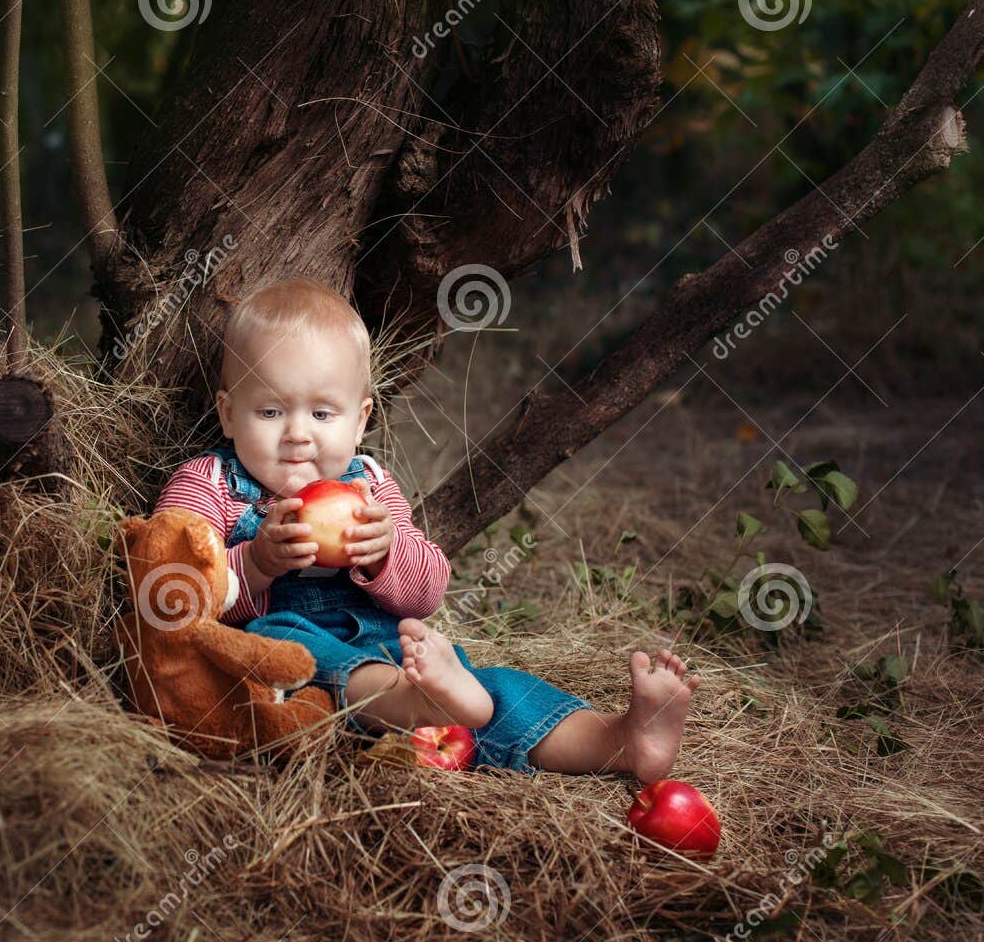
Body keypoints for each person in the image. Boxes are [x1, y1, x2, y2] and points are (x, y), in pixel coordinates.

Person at [153, 278, 698, 777]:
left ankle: (618, 740)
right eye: (270, 413)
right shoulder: (210, 485)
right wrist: (254, 564)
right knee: (282, 645)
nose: (298, 435)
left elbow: (429, 589)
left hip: (399, 653)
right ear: (228, 414)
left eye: (322, 414)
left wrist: (383, 553)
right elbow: (175, 593)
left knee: (494, 693)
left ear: (361, 419)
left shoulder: (367, 486)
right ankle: (414, 702)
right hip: (293, 658)